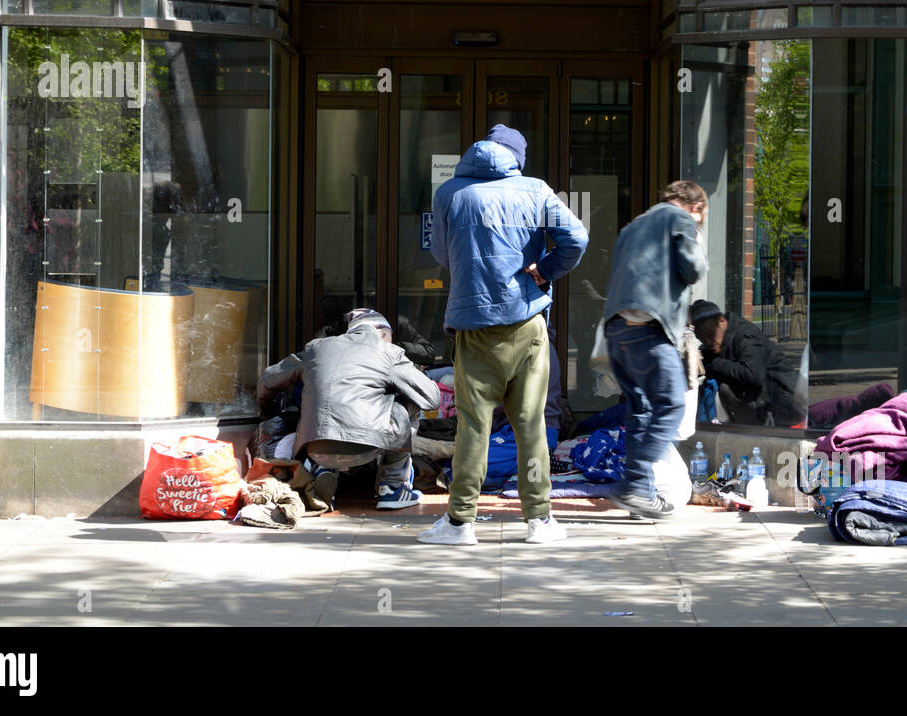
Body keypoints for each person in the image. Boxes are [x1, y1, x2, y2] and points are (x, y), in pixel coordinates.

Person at [418, 124, 587, 546]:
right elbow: (577, 237)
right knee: (530, 424)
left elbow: (441, 254)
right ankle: (540, 522)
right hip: (527, 324)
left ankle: (460, 523)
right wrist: (544, 270)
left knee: (473, 426)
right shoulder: (535, 190)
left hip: (473, 327)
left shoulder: (450, 193)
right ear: (516, 158)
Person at [256, 308, 440, 511]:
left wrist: (266, 412)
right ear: (380, 332)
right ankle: (393, 487)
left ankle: (321, 472)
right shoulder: (390, 352)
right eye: (389, 336)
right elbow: (431, 398)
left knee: (317, 401)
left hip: (315, 447)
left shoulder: (316, 347)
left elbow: (267, 379)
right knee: (411, 401)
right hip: (366, 447)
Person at [601, 180, 709, 519]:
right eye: (700, 219)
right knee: (672, 403)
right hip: (649, 327)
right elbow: (692, 269)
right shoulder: (679, 219)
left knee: (640, 409)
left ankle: (642, 497)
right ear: (697, 208)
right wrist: (698, 242)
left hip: (616, 328)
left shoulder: (633, 226)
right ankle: (635, 484)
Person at [689, 299, 807, 427]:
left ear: (722, 321)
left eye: (710, 336)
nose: (707, 342)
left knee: (726, 388)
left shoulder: (747, 336)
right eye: (701, 338)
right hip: (765, 398)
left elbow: (753, 375)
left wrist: (715, 363)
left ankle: (750, 433)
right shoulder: (719, 340)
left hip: (783, 401)